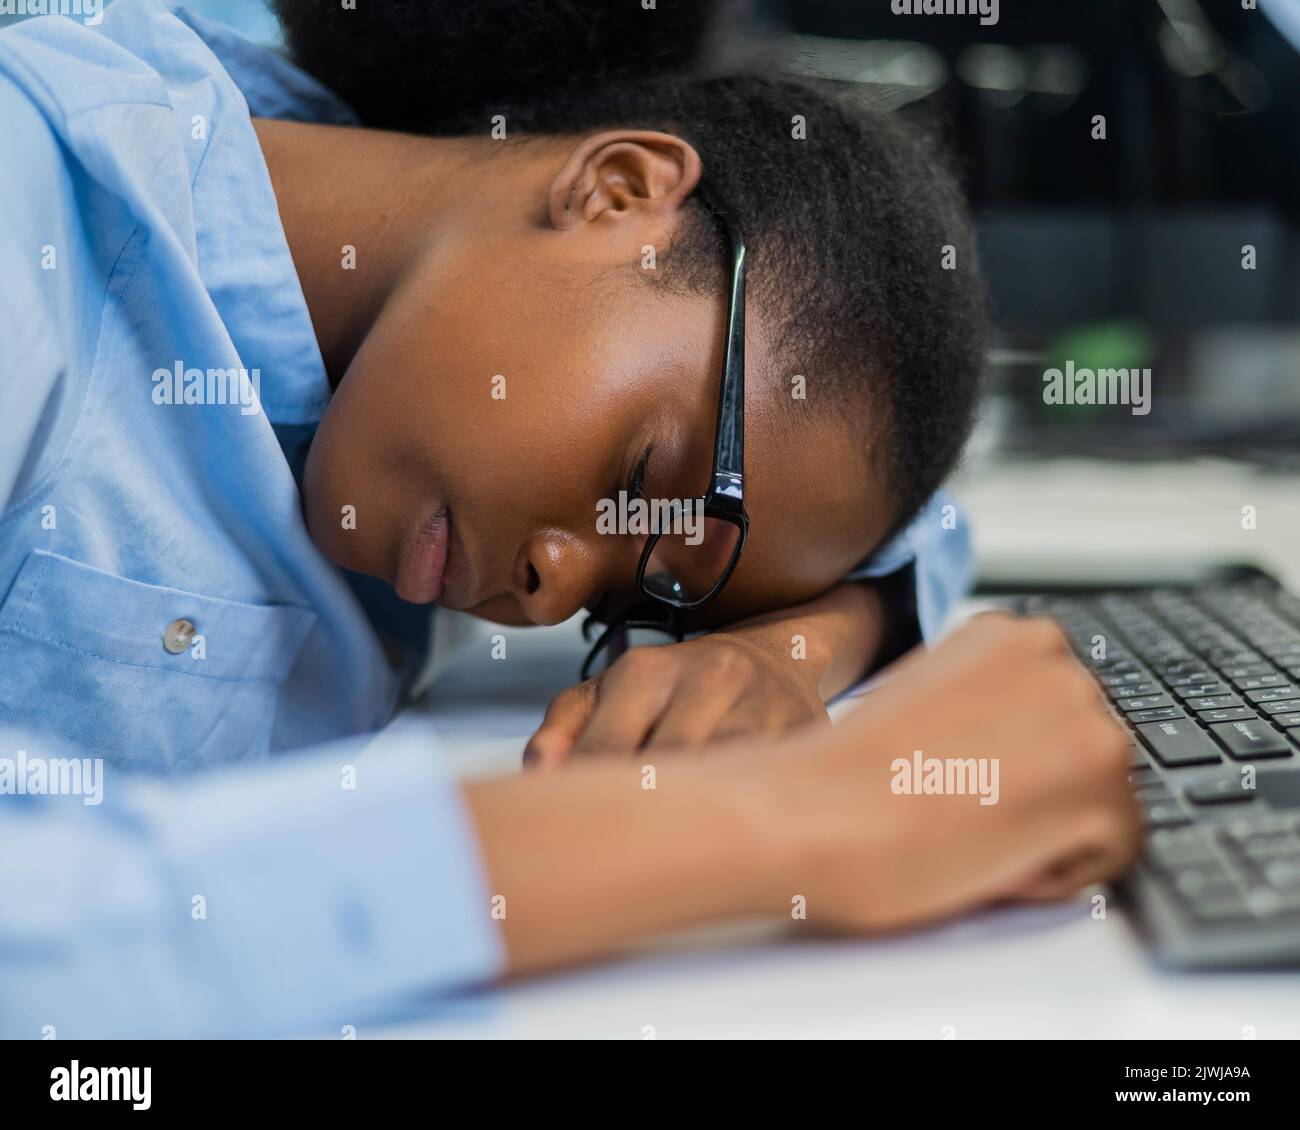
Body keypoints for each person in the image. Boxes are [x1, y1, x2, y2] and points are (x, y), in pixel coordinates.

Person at [0, 0, 979, 771]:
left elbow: (922, 530)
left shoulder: (403, 391)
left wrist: (785, 650)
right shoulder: (33, 227)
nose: (554, 589)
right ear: (618, 191)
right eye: (639, 479)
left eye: (630, 600)